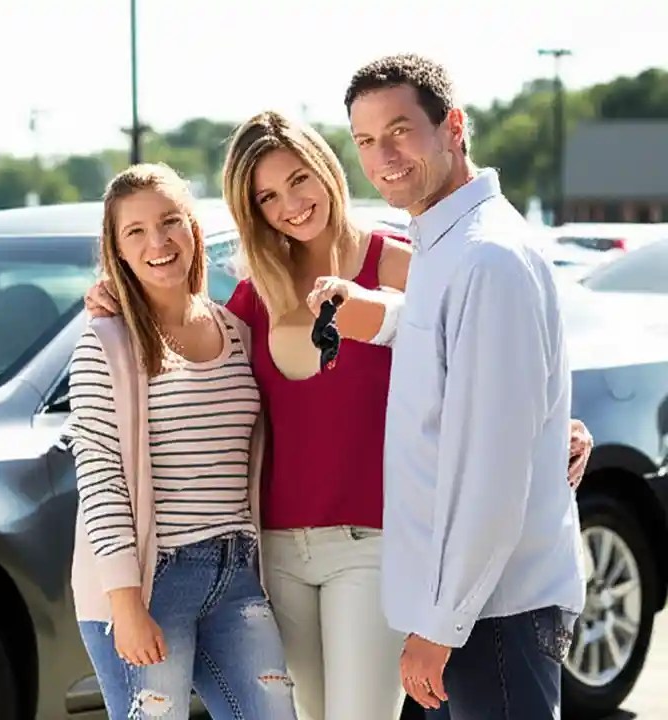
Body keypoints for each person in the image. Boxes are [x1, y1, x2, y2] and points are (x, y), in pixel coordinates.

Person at [82, 112, 595, 720]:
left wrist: (556, 424)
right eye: (267, 196)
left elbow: (498, 349)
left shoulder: (406, 266)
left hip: (373, 543)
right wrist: (115, 294)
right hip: (273, 556)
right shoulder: (251, 298)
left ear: (327, 170)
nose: (290, 205)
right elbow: (193, 379)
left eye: (299, 180)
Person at [344, 53, 586, 719]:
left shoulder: (487, 258)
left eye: (399, 131)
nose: (382, 157)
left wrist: (440, 628)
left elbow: (491, 472)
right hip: (460, 614)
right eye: (365, 140)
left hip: (490, 617)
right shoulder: (442, 245)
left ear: (453, 126)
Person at [66, 162, 298, 720]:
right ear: (116, 249)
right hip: (151, 583)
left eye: (170, 222)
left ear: (193, 227)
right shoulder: (107, 343)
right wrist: (125, 603)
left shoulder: (237, 332)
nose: (158, 242)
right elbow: (100, 479)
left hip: (237, 575)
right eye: (136, 232)